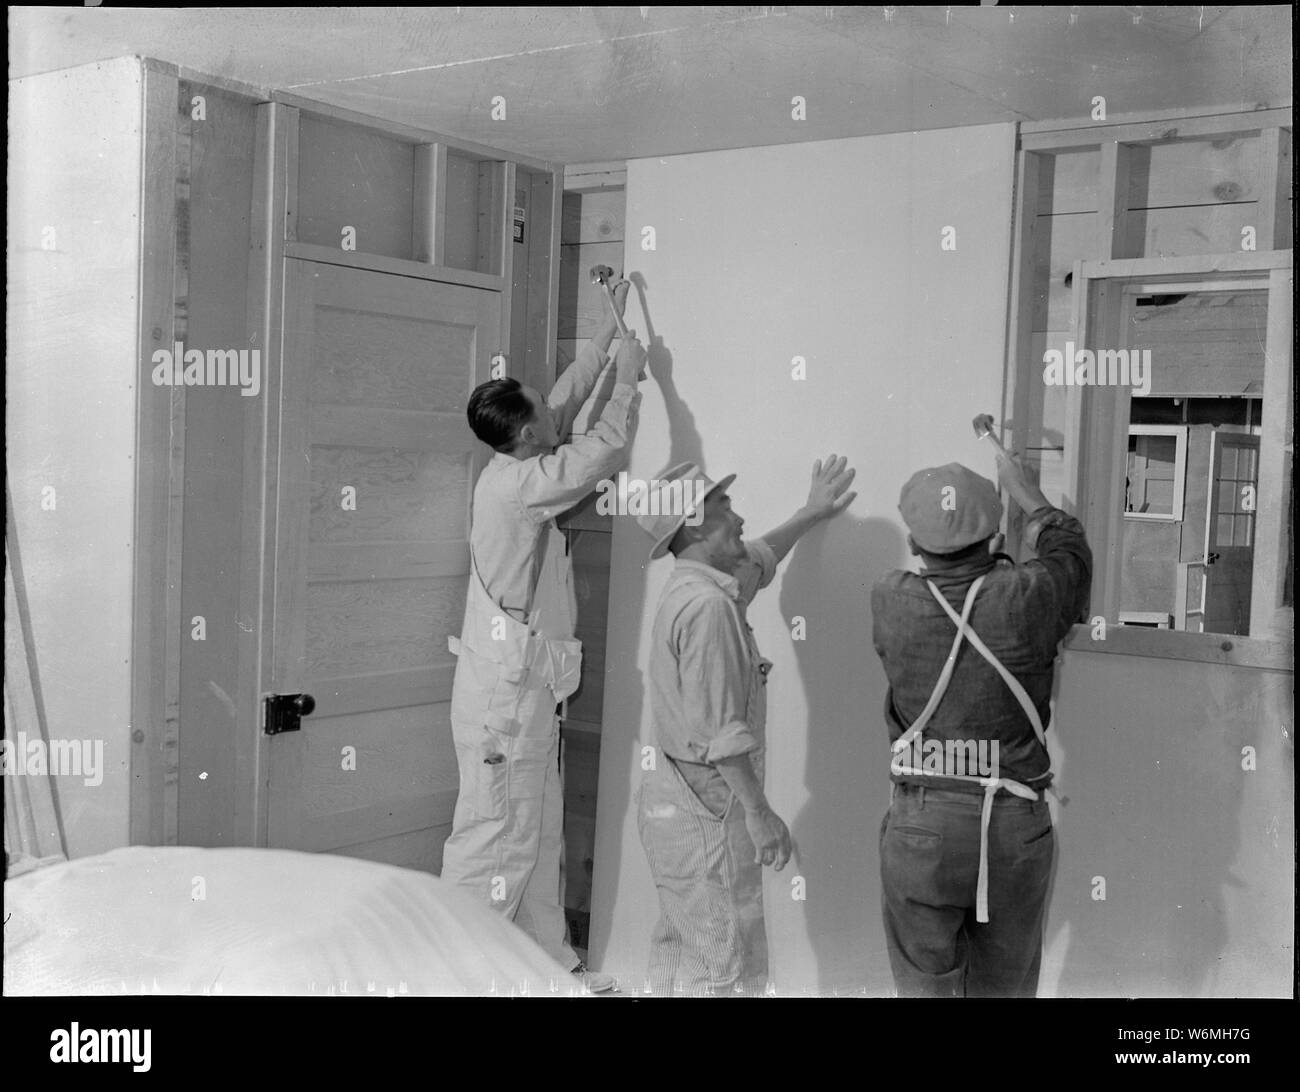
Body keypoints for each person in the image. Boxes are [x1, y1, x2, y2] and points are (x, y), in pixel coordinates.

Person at [440, 278, 645, 993]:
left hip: (516, 692)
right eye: (541, 417)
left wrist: (607, 340)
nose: (552, 414)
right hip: (506, 699)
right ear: (527, 436)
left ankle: (546, 972)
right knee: (496, 838)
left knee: (535, 828)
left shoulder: (517, 457)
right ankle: (459, 978)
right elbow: (604, 448)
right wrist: (632, 379)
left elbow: (559, 404)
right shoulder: (523, 487)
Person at [871, 449, 1092, 998]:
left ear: (916, 543)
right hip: (1011, 826)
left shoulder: (890, 599)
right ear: (995, 538)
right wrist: (1029, 497)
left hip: (924, 823)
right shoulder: (1029, 595)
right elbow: (1072, 555)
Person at [634, 456, 857, 996]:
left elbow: (758, 556)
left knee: (683, 940)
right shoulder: (710, 608)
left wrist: (810, 513)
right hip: (708, 807)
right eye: (723, 505)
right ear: (692, 523)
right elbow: (724, 736)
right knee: (722, 968)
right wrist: (760, 816)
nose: (737, 517)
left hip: (675, 797)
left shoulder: (703, 584)